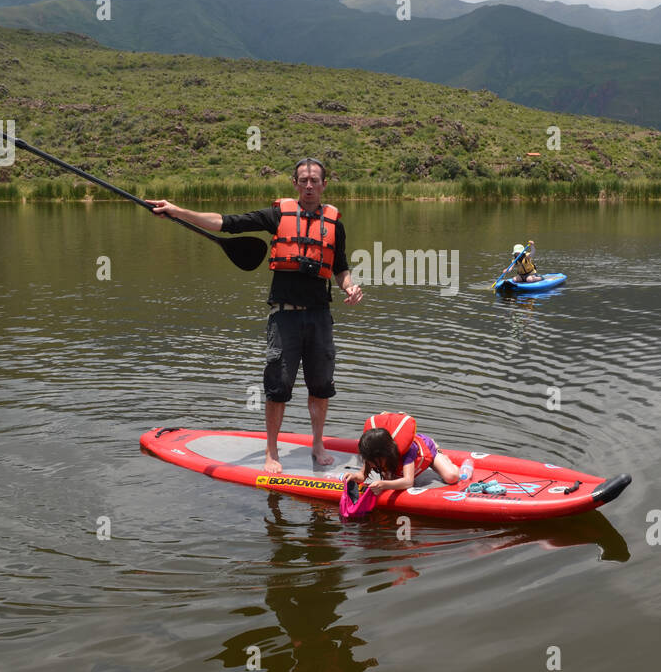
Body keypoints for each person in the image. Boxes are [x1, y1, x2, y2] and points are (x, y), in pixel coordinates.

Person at [147, 158, 363, 473]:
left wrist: (349, 286)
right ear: (295, 183)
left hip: (319, 317)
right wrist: (178, 211)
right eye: (303, 180)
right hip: (284, 317)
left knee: (321, 386)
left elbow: (340, 267)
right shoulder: (277, 215)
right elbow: (226, 223)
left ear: (324, 185)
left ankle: (318, 444)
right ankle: (271, 452)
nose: (309, 186)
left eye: (315, 180)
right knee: (278, 387)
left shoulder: (334, 225)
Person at [348, 412, 464, 496]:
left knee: (451, 477)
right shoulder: (371, 454)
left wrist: (383, 484)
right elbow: (362, 475)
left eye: (372, 461)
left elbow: (408, 482)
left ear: (385, 454)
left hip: (427, 451)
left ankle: (440, 453)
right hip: (393, 458)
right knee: (391, 478)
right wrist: (353, 477)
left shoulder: (407, 452)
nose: (370, 463)